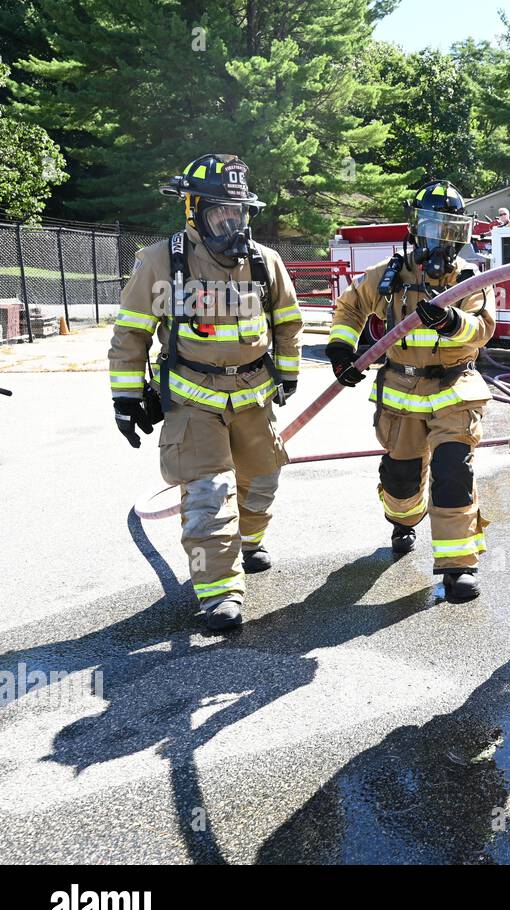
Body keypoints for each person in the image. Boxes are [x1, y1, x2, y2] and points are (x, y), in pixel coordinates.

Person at [109, 153, 303, 631]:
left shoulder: (264, 261)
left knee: (262, 482)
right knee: (209, 495)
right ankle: (218, 591)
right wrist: (127, 396)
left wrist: (288, 373)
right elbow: (131, 333)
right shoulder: (160, 262)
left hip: (253, 397)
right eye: (219, 211)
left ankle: (248, 542)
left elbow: (288, 321)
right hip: (192, 400)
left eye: (237, 212)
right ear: (193, 210)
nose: (230, 221)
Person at [326, 180, 495, 602]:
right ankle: (404, 520)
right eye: (433, 227)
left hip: (455, 388)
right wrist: (341, 348)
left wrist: (451, 322)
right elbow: (350, 307)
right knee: (401, 485)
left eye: (451, 229)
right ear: (415, 227)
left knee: (454, 471)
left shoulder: (472, 278)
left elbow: (481, 329)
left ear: (464, 234)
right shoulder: (388, 275)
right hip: (400, 392)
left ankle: (459, 566)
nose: (440, 239)